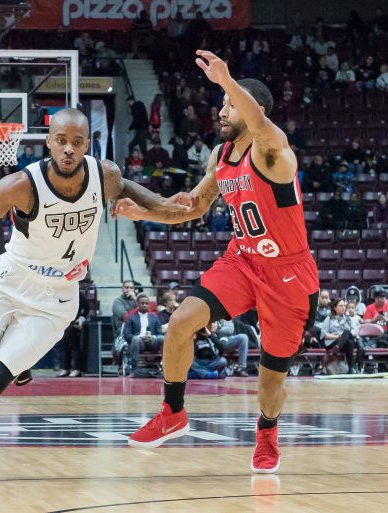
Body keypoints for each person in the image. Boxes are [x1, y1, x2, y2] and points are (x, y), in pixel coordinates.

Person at [0, 108, 192, 482]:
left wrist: (167, 204)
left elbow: (134, 191)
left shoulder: (104, 175)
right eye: (61, 141)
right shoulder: (21, 184)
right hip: (11, 282)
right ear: (48, 142)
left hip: (56, 300)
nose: (69, 150)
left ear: (87, 144)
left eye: (77, 142)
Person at [114, 51, 319, 474]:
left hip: (289, 274)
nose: (221, 111)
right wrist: (145, 212)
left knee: (270, 379)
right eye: (223, 102)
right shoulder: (221, 156)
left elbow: (262, 127)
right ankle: (173, 412)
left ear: (250, 107)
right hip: (242, 261)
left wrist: (227, 80)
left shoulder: (273, 152)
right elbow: (194, 207)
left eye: (228, 103)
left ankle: (267, 431)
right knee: (181, 320)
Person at [122, 293, 165, 375]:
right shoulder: (131, 318)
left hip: (152, 342)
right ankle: (133, 368)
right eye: (142, 303)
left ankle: (164, 365)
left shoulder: (154, 317)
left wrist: (152, 337)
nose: (145, 305)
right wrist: (141, 337)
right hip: (139, 343)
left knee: (162, 338)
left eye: (146, 303)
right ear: (137, 304)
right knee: (135, 339)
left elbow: (159, 332)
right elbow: (127, 335)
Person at [320, 298, 359, 374]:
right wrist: (337, 337)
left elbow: (354, 332)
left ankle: (337, 349)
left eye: (344, 306)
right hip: (332, 342)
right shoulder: (329, 318)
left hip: (344, 343)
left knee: (348, 336)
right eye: (341, 306)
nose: (343, 307)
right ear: (335, 308)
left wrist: (345, 335)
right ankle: (351, 368)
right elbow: (324, 334)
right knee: (349, 341)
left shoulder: (348, 319)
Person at [56, 290, 89, 377]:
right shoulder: (60, 294)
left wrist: (82, 318)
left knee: (74, 346)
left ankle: (76, 369)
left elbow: (86, 309)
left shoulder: (79, 294)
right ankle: (65, 368)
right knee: (63, 346)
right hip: (62, 321)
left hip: (74, 322)